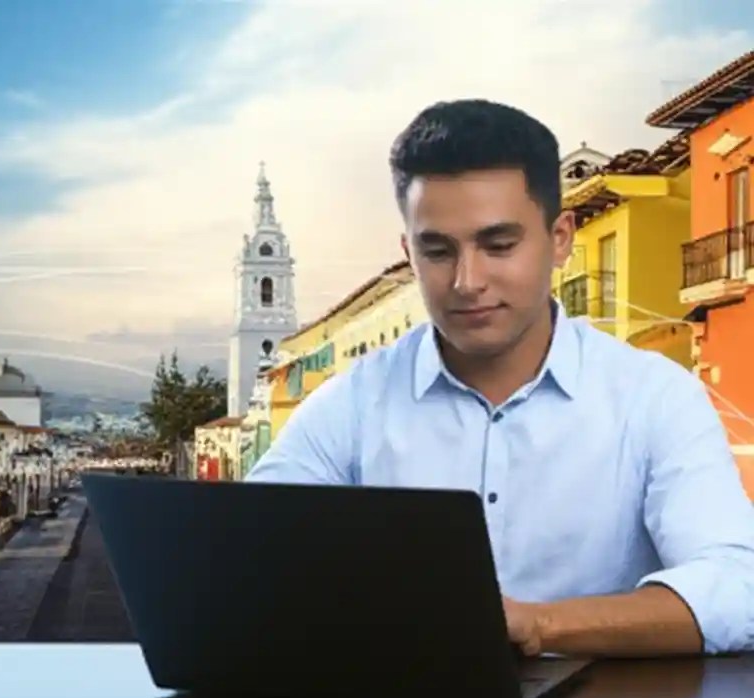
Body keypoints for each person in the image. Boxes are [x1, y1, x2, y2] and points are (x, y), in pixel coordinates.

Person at [246, 98, 754, 658]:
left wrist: (540, 625)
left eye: (499, 245)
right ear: (407, 253)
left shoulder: (653, 397)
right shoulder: (352, 403)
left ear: (560, 239)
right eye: (437, 250)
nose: (468, 281)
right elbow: (249, 556)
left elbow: (738, 587)